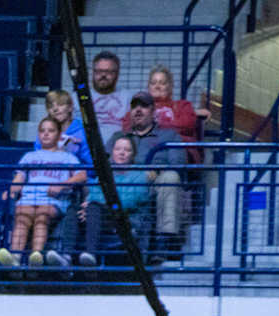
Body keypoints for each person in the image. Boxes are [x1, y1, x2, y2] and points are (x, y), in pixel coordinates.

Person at [0, 117, 85, 268]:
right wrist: (11, 190)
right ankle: (15, 258)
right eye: (42, 131)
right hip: (28, 198)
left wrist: (61, 185)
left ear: (59, 134)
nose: (46, 134)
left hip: (52, 200)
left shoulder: (68, 157)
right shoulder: (29, 157)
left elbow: (82, 175)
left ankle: (35, 256)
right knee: (22, 216)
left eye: (51, 131)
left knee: (42, 215)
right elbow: (20, 177)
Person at [117, 91, 186, 260]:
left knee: (171, 177)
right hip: (125, 181)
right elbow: (102, 162)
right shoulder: (119, 137)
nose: (138, 110)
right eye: (134, 106)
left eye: (144, 106)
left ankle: (164, 241)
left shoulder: (169, 136)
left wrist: (157, 170)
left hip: (154, 183)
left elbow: (178, 165)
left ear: (153, 111)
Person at [77, 135, 150, 267]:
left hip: (126, 218)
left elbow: (129, 201)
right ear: (112, 152)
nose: (122, 153)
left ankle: (90, 254)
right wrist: (86, 208)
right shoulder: (105, 174)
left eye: (127, 150)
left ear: (133, 155)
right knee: (75, 209)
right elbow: (93, 193)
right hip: (104, 216)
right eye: (118, 149)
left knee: (94, 206)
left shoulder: (140, 175)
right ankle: (65, 256)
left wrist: (94, 203)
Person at [146, 64, 204, 141]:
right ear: (148, 87)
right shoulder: (141, 107)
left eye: (162, 83)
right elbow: (128, 125)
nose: (157, 86)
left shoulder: (183, 106)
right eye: (153, 83)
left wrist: (152, 125)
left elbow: (187, 125)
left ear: (170, 86)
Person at [89, 51, 129, 142]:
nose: (103, 75)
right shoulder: (78, 98)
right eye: (99, 71)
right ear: (93, 72)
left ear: (117, 74)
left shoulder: (128, 98)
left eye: (108, 72)